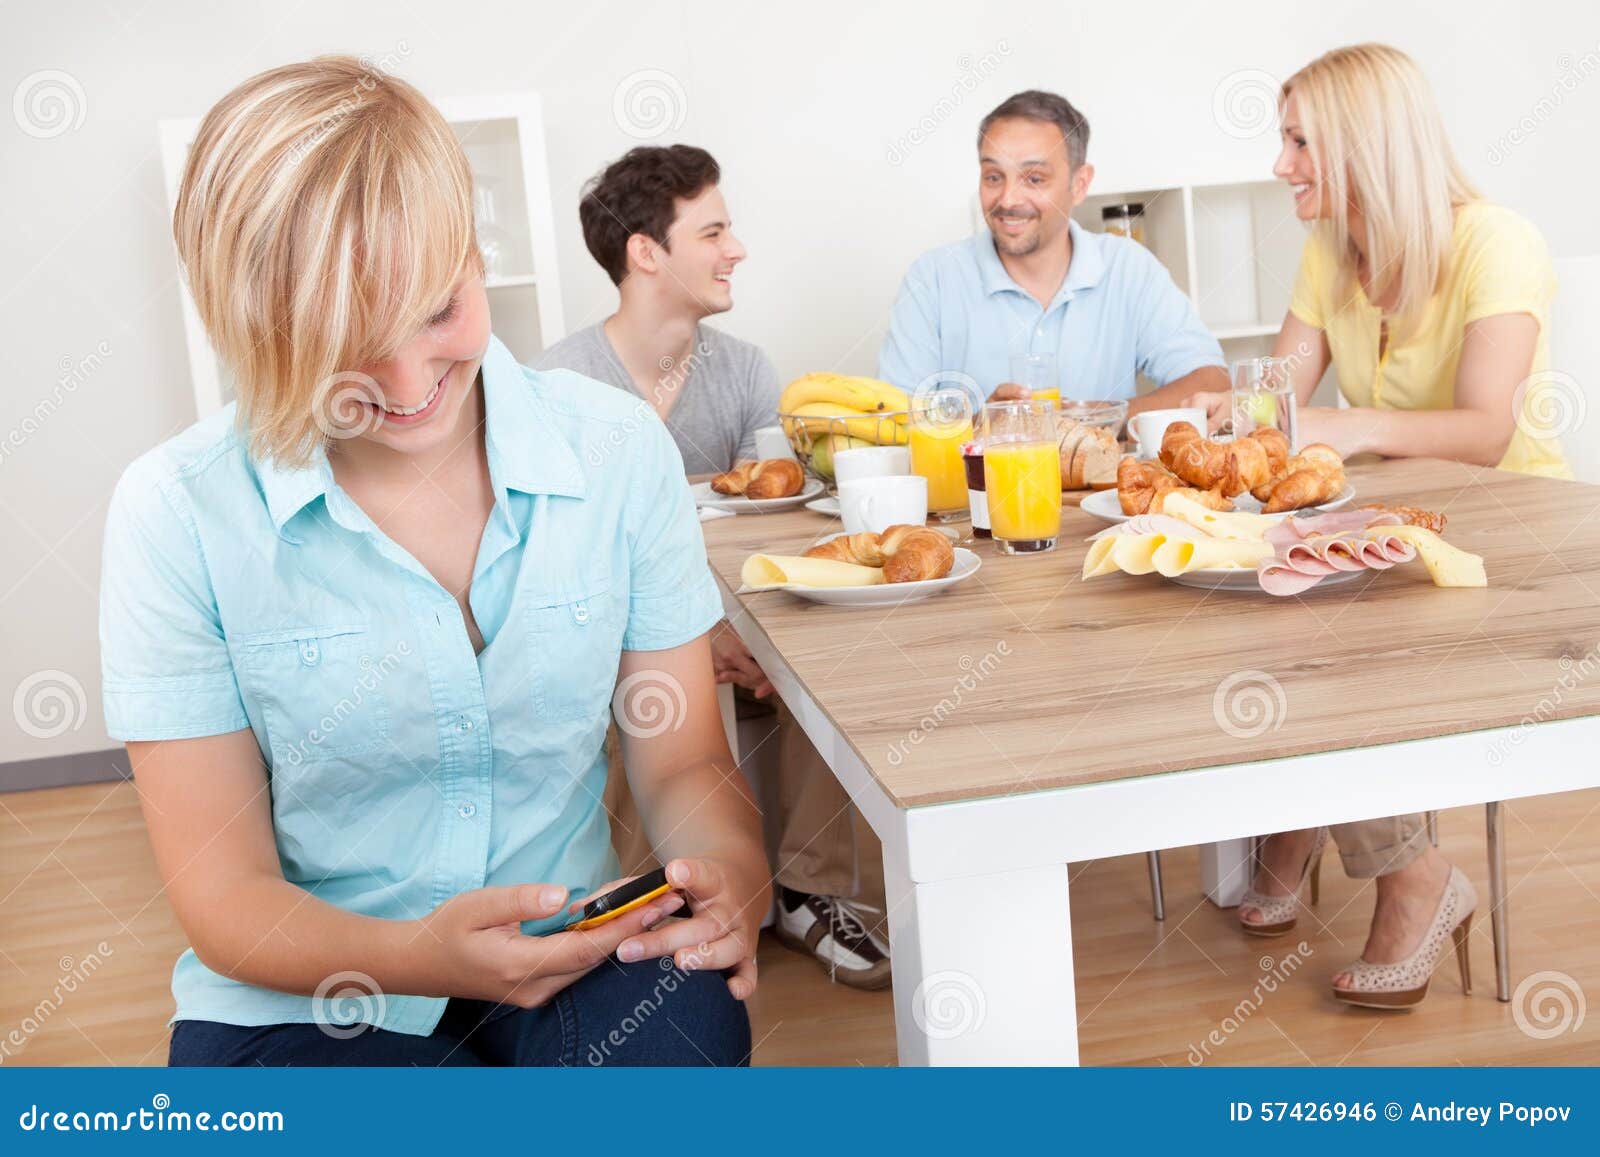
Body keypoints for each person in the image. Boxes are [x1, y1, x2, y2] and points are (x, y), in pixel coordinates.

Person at [99, 57, 766, 1066]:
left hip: (577, 946)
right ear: (252, 327)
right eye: (345, 341)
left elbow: (681, 758)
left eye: (436, 308)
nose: (411, 383)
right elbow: (225, 897)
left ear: (471, 250)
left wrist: (730, 868)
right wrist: (421, 955)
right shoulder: (176, 512)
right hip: (307, 983)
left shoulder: (617, 449)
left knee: (688, 1041)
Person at [1195, 43, 1568, 1009]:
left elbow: (1489, 431)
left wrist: (1349, 429)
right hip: (1406, 535)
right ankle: (1312, 817)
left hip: (1522, 547)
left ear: (1364, 145)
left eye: (1298, 141)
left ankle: (1414, 876)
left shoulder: (1496, 240)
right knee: (1267, 596)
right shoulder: (1330, 253)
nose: (1281, 166)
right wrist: (1213, 432)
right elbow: (1278, 403)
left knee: (1338, 643)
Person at [536, 146, 891, 989]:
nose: (736, 249)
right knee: (625, 686)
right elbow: (561, 568)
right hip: (626, 636)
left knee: (816, 645)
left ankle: (808, 886)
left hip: (730, 620)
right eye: (715, 231)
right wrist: (692, 642)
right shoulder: (556, 385)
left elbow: (765, 525)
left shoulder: (742, 371)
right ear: (646, 253)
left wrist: (734, 634)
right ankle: (633, 899)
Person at [879, 89, 1228, 410]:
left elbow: (1210, 381)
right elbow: (894, 421)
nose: (1008, 199)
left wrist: (1100, 418)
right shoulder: (934, 279)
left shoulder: (1127, 267)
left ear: (1079, 184)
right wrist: (982, 428)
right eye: (993, 176)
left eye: (1034, 179)